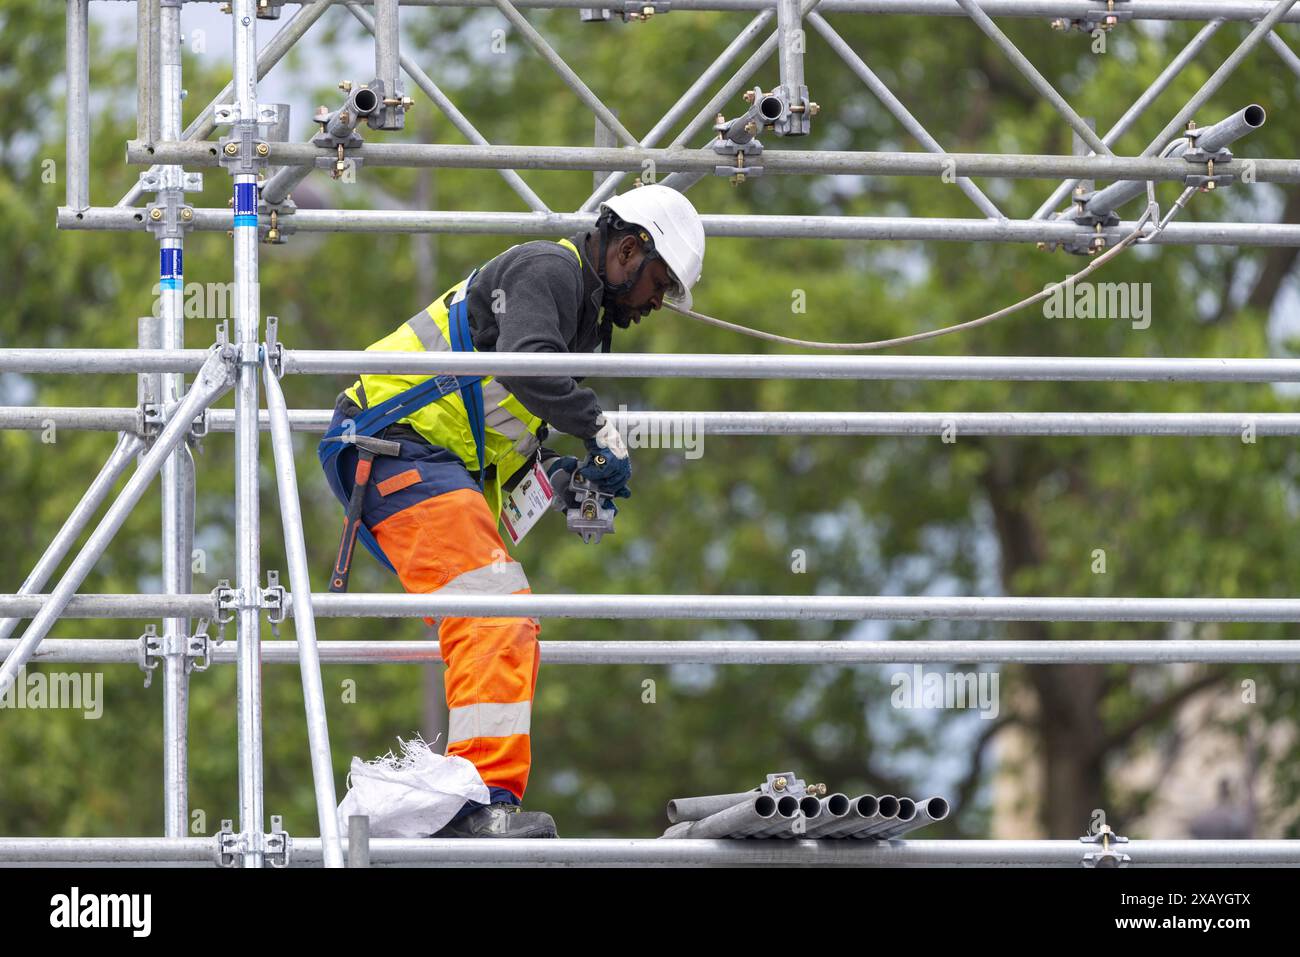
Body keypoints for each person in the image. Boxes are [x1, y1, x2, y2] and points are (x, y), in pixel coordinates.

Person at [319, 185, 705, 837]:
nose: (656, 302)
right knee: (496, 613)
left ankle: (475, 802)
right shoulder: (548, 269)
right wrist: (598, 428)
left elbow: (502, 414)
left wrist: (552, 474)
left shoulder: (580, 322)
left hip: (421, 456)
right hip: (394, 443)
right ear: (628, 249)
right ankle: (479, 807)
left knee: (505, 616)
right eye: (659, 283)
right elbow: (525, 364)